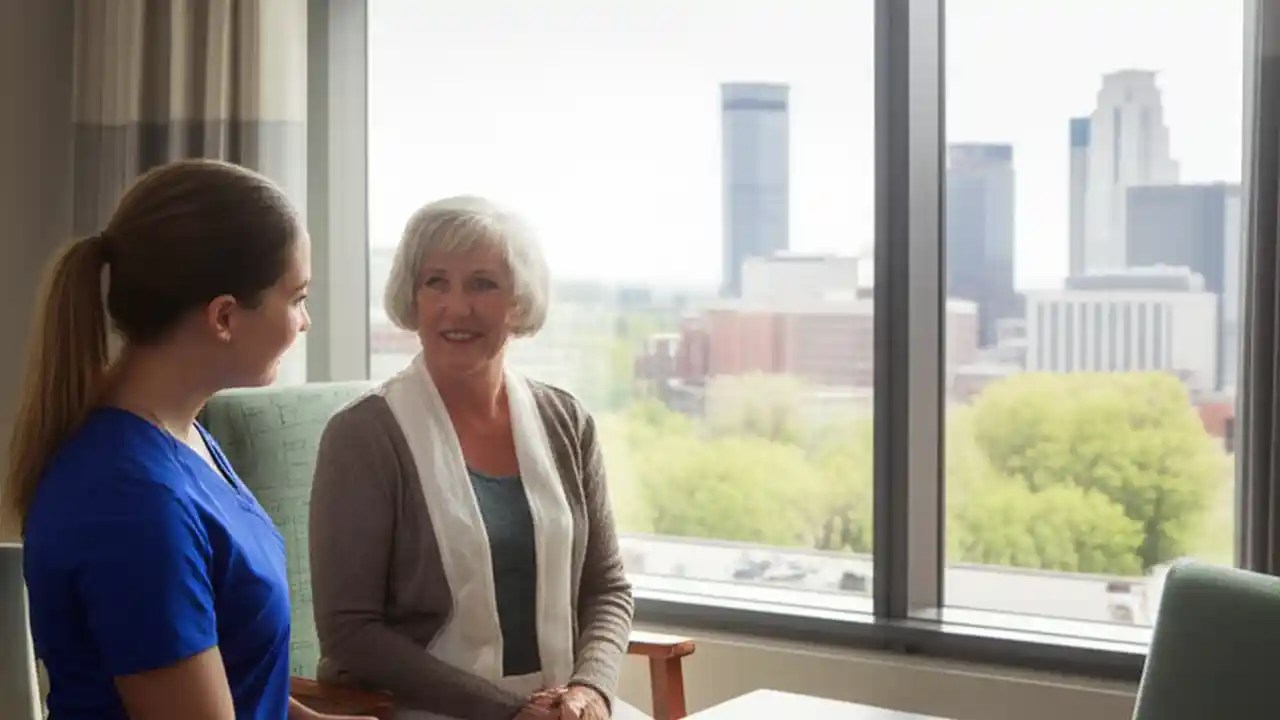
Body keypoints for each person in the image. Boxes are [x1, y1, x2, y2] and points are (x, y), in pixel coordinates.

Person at [4, 159, 373, 720]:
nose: (305, 323)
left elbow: (234, 664)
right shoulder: (132, 501)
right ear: (224, 315)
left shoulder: (182, 436)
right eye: (296, 298)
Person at [309, 196, 639, 720]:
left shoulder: (567, 422)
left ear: (519, 300)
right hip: (431, 709)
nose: (457, 307)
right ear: (412, 297)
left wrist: (590, 690)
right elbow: (351, 632)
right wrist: (508, 712)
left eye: (483, 284)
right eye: (435, 282)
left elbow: (607, 587)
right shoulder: (363, 436)